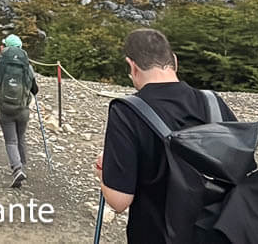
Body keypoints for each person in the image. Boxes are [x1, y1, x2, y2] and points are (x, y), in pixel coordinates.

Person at [94, 28, 238, 243]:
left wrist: (103, 172)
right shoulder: (213, 102)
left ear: (132, 66)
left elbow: (119, 200)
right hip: (219, 234)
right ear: (175, 61)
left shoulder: (127, 111)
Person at [0, 33, 39, 188]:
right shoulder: (27, 65)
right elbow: (35, 89)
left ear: (6, 47)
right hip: (22, 109)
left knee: (11, 140)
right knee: (21, 137)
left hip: (4, 108)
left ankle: (17, 169)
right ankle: (23, 166)